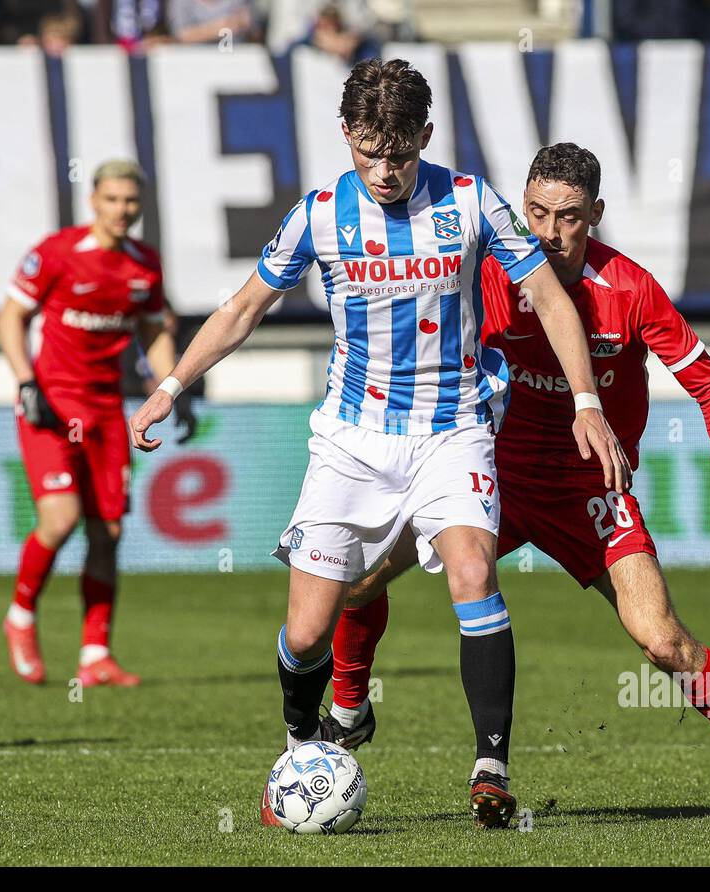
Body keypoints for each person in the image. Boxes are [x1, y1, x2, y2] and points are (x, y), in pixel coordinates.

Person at [128, 59, 628, 828]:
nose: (385, 169)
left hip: (451, 430)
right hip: (352, 442)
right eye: (368, 151)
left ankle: (490, 767)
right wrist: (170, 387)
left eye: (398, 152)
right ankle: (307, 746)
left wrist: (586, 401)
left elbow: (549, 299)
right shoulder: (320, 214)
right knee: (305, 632)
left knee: (472, 571)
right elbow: (241, 309)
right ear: (346, 137)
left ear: (425, 136)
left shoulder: (469, 202)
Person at [322, 143, 710, 822]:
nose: (548, 232)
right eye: (535, 212)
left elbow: (708, 385)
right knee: (352, 578)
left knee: (662, 639)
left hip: (591, 493)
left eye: (567, 217)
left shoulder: (629, 289)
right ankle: (352, 711)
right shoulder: (489, 273)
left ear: (594, 214)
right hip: (488, 479)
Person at [0, 159, 187, 688]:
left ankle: (95, 654)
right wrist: (24, 381)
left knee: (109, 531)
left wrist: (171, 389)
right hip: (52, 404)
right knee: (60, 519)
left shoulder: (144, 266)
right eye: (113, 199)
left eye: (131, 201)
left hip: (105, 409)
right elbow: (11, 317)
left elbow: (154, 333)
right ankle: (20, 615)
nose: (123, 210)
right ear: (93, 201)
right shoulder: (56, 253)